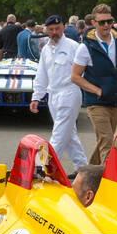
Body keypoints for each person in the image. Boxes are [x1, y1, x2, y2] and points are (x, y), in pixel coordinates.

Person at [30, 15, 88, 171]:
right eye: (51, 29)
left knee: (59, 134)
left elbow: (85, 70)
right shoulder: (46, 49)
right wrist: (36, 96)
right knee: (69, 135)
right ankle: (82, 169)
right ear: (46, 30)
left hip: (69, 93)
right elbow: (41, 74)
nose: (55, 32)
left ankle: (42, 168)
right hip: (53, 95)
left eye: (57, 29)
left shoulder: (74, 46)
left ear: (63, 28)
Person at [72, 4, 117, 165]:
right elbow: (75, 76)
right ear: (94, 23)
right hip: (96, 102)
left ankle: (87, 176)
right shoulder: (85, 47)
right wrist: (97, 91)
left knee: (104, 141)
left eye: (109, 21)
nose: (106, 25)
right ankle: (108, 182)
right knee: (108, 141)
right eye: (102, 22)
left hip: (115, 99)